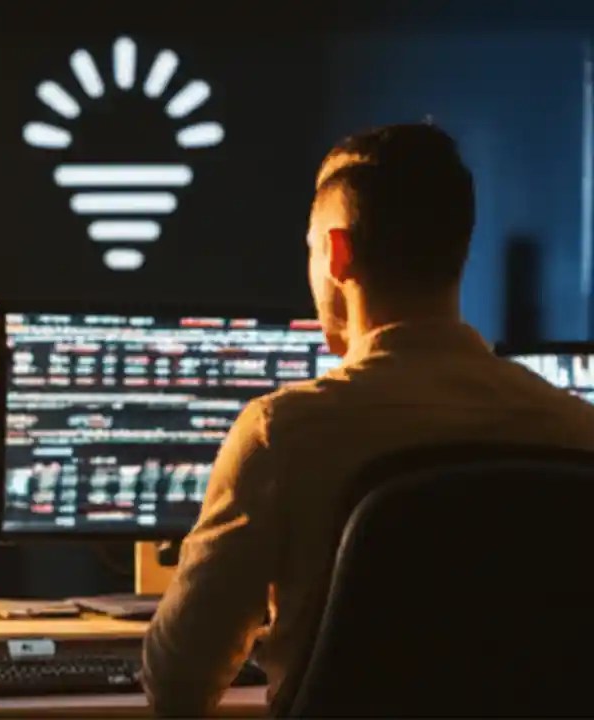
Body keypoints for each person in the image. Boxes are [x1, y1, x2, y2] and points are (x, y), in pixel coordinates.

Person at [140, 123, 594, 716]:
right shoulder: (577, 432)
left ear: (337, 253)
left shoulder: (282, 433)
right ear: (458, 250)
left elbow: (176, 685)